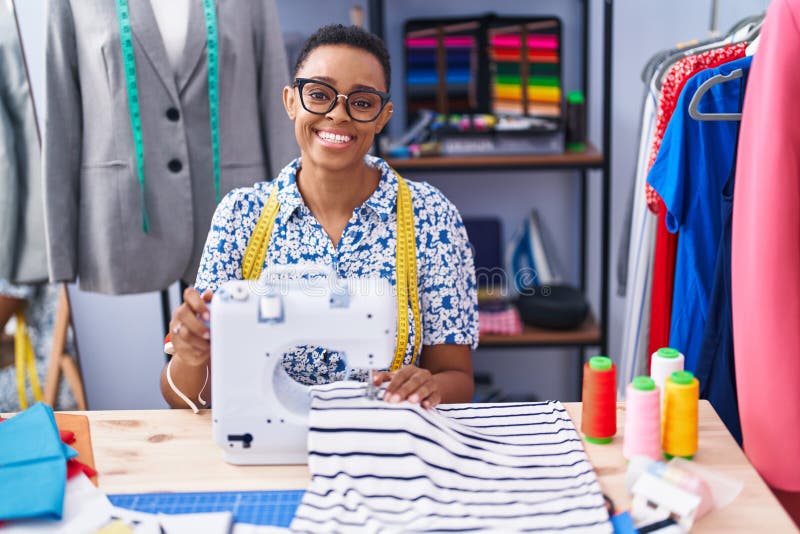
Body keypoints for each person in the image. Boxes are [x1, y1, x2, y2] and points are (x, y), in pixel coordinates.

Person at [161, 24, 477, 410]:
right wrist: (191, 355)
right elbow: (187, 398)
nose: (338, 114)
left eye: (361, 102)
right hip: (266, 445)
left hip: (383, 442)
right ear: (291, 101)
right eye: (319, 94)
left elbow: (456, 376)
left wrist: (430, 387)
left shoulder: (430, 216)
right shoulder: (240, 216)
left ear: (382, 116)